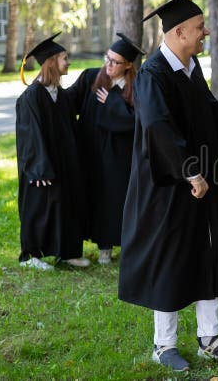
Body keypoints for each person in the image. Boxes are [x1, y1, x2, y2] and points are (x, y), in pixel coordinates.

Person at [117, 0, 218, 372]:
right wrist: (190, 170)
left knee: (207, 251)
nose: (204, 32)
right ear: (177, 34)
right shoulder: (153, 75)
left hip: (202, 178)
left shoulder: (192, 67)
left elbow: (209, 106)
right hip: (168, 185)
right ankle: (164, 344)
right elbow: (159, 127)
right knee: (172, 259)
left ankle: (211, 337)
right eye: (198, 27)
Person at [66, 33, 143, 264]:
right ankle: (101, 246)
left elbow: (135, 121)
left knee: (115, 200)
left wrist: (112, 102)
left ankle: (116, 247)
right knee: (93, 198)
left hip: (119, 157)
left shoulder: (136, 87)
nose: (108, 65)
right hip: (89, 152)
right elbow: (68, 102)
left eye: (115, 62)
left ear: (128, 65)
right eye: (107, 58)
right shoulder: (91, 77)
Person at [15, 33, 90, 270]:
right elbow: (29, 136)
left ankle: (67, 252)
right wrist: (39, 168)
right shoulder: (32, 97)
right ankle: (31, 256)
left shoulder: (59, 94)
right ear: (51, 62)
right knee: (39, 208)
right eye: (64, 58)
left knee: (67, 206)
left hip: (64, 163)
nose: (68, 62)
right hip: (40, 168)